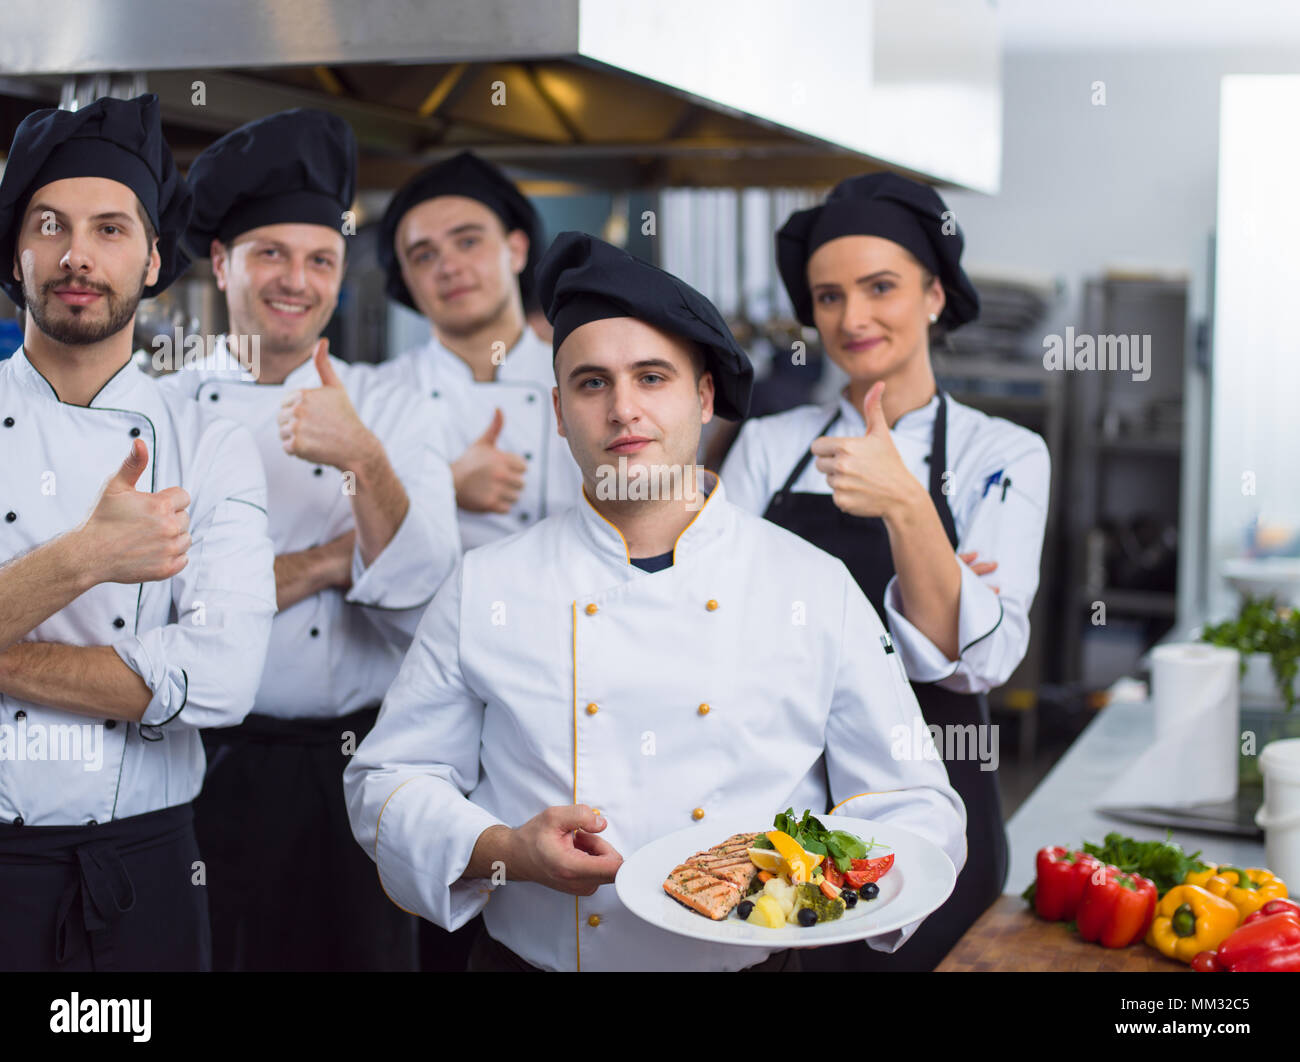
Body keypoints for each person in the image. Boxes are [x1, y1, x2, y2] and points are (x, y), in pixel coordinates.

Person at [343, 231, 965, 972]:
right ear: (558, 409)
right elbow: (386, 780)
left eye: (652, 377)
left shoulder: (812, 586)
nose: (622, 409)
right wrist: (507, 850)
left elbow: (910, 802)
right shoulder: (488, 585)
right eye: (593, 383)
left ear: (704, 397)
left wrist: (832, 881)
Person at [721, 172, 1051, 970]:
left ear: (935, 294)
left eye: (880, 287)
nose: (852, 317)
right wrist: (945, 577)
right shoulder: (772, 444)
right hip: (779, 803)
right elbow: (718, 618)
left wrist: (906, 505)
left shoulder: (1001, 454)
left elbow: (980, 661)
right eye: (828, 297)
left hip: (936, 804)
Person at [163, 109, 461, 971]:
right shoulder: (164, 408)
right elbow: (162, 605)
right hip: (199, 764)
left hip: (357, 764)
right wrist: (337, 560)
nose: (296, 279)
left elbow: (427, 586)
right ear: (221, 263)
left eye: (320, 259)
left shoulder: (393, 405)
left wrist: (362, 455)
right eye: (270, 254)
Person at [0, 94, 276, 971]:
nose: (78, 255)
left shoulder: (210, 439)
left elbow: (224, 681)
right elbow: (175, 671)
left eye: (111, 229)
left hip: (147, 867)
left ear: (155, 259)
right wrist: (83, 561)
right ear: (17, 252)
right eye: (51, 224)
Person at [372, 151, 582, 551]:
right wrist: (444, 488)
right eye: (424, 255)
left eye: (468, 241)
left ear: (516, 250)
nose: (448, 266)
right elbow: (347, 550)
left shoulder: (585, 382)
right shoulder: (377, 395)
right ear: (407, 282)